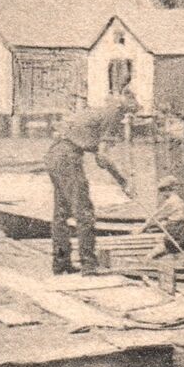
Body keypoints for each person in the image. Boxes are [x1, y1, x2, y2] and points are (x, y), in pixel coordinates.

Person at [48, 89, 138, 274]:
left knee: (61, 213)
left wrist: (121, 178)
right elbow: (103, 158)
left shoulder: (100, 110)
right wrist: (123, 182)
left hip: (54, 154)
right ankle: (89, 265)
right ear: (125, 104)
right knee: (85, 213)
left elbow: (99, 156)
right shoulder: (114, 113)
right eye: (131, 111)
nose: (129, 116)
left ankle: (61, 262)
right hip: (67, 158)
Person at [141, 175, 184, 259]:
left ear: (167, 189)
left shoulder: (171, 202)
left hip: (174, 229)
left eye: (162, 191)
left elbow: (157, 216)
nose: (162, 194)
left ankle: (146, 259)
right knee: (176, 250)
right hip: (181, 228)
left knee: (165, 247)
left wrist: (143, 227)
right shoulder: (179, 200)